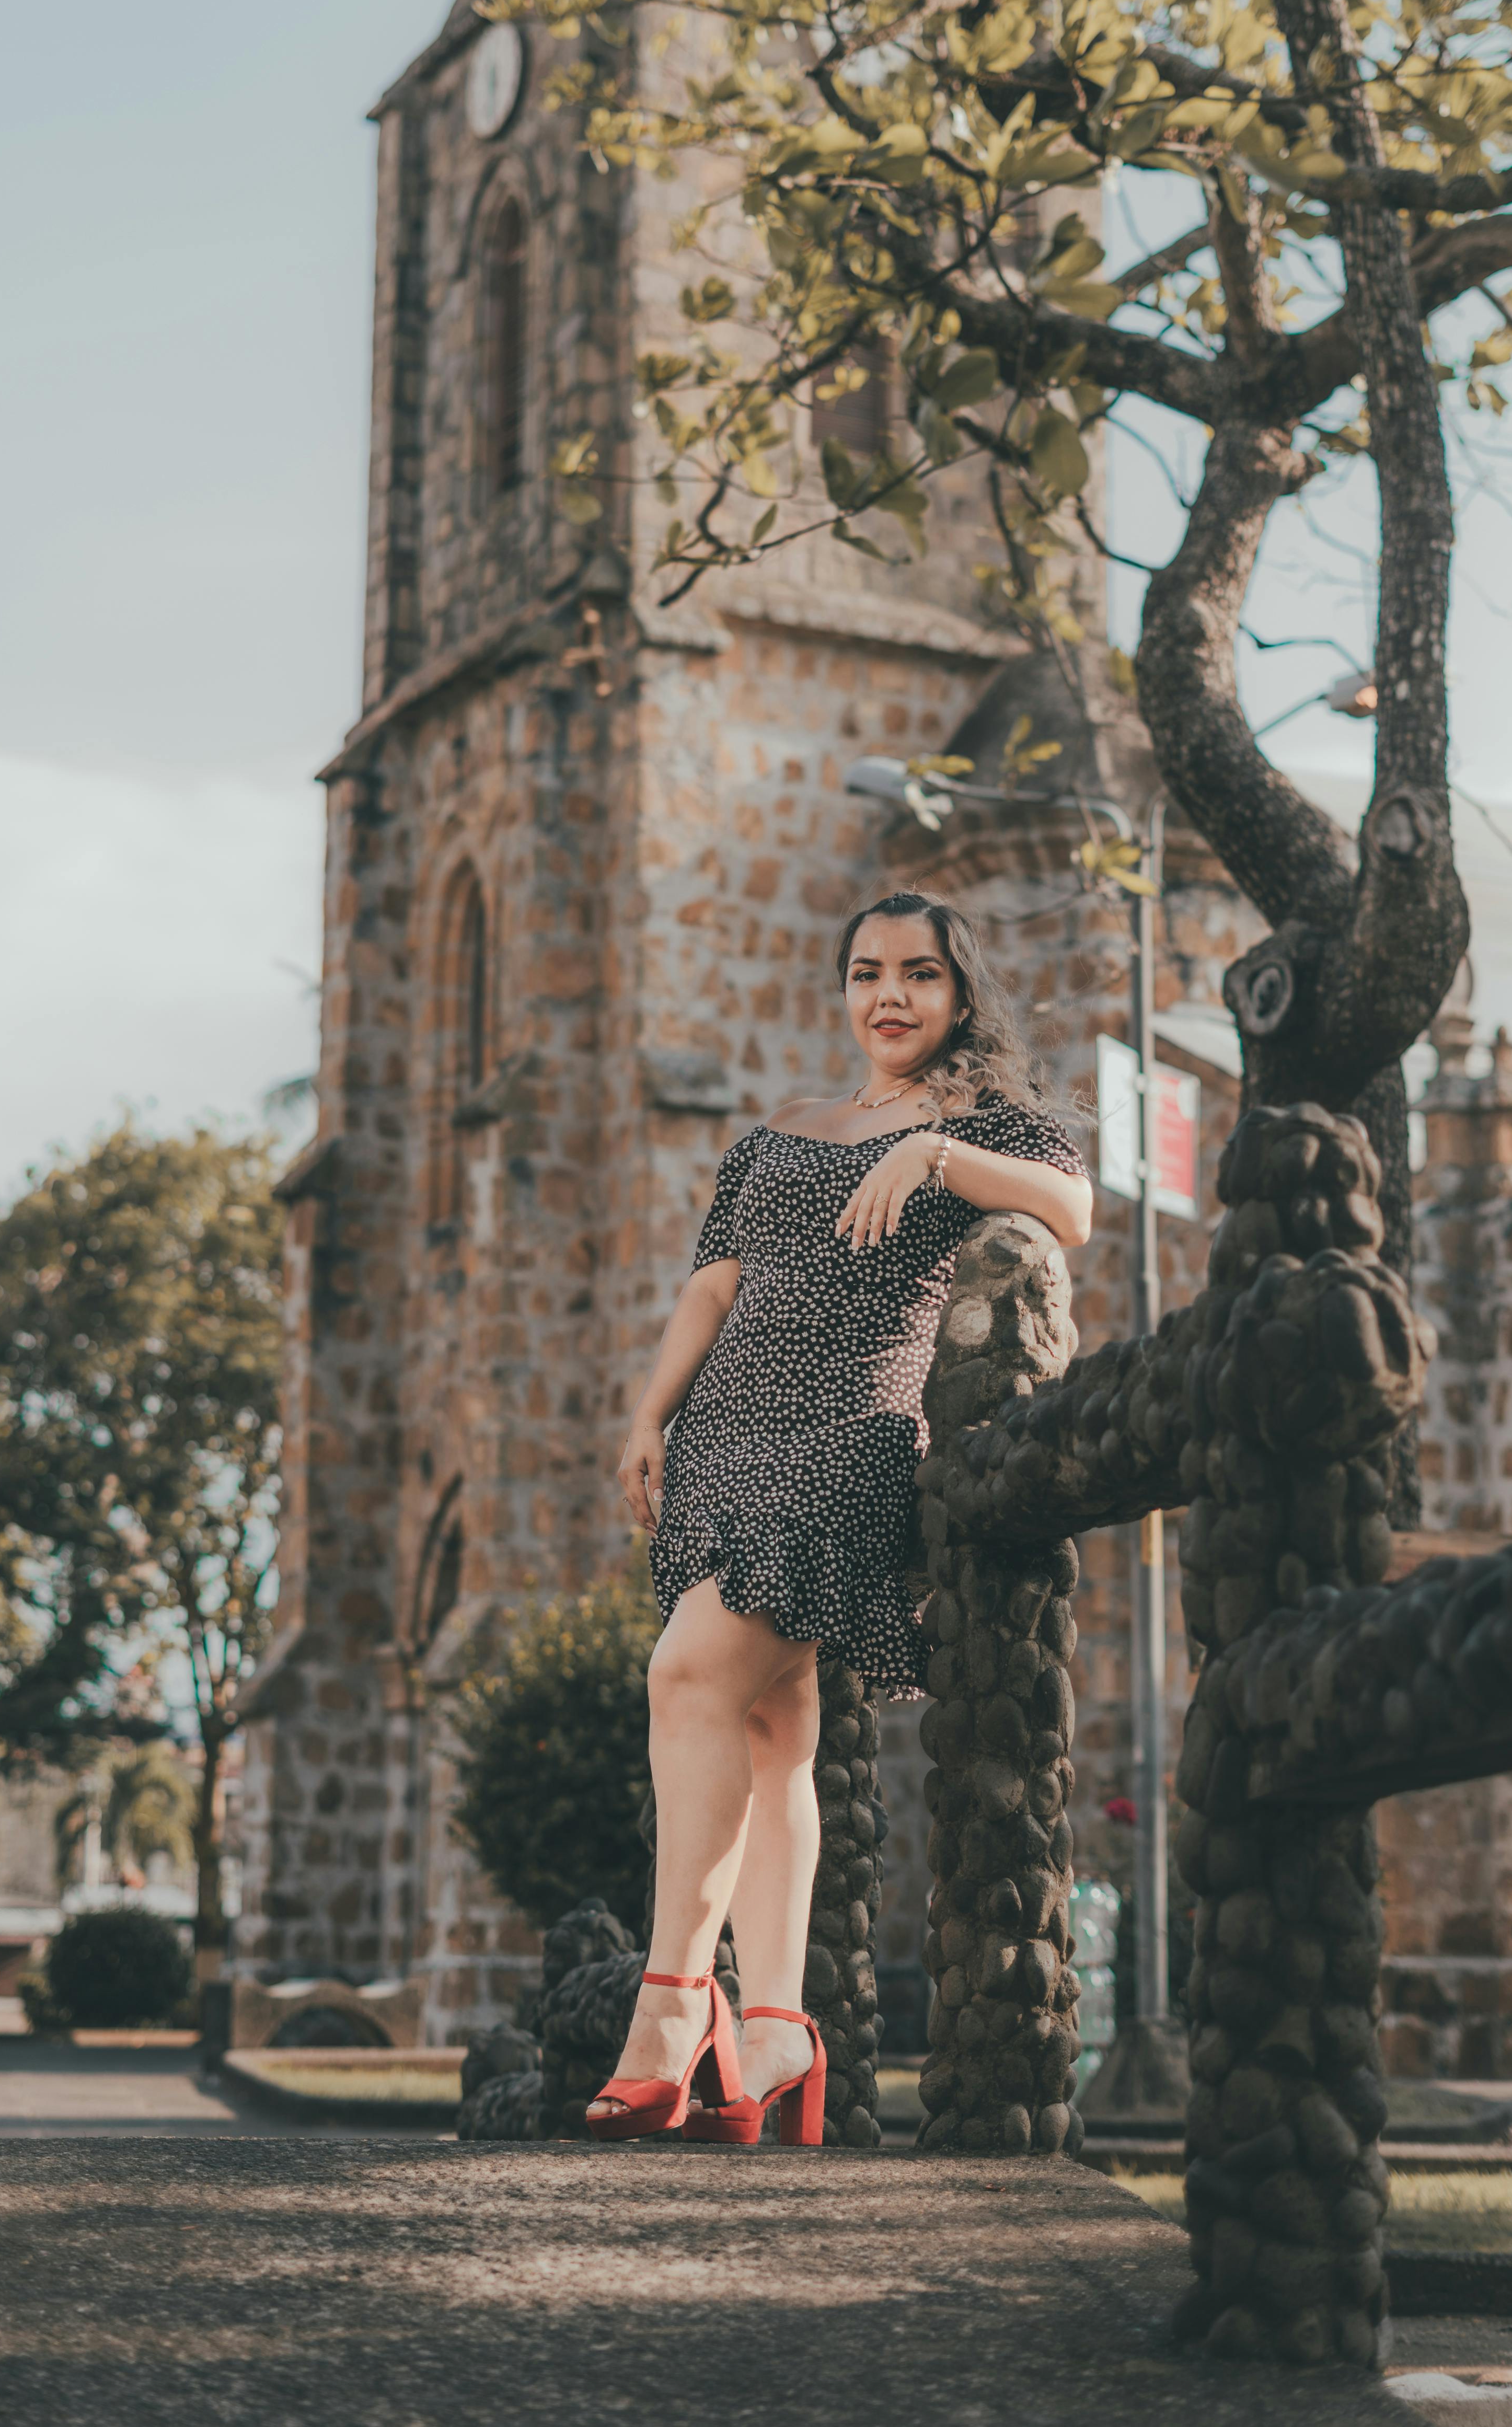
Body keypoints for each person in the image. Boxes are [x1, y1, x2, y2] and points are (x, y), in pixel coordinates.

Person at [588, 887, 1093, 2143]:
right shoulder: (777, 1133)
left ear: (958, 990)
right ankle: (773, 2033)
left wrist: (927, 1154)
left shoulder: (986, 1126)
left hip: (852, 1438)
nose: (889, 996)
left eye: (918, 974)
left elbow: (1072, 1211)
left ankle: (669, 2012)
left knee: (686, 1676)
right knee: (773, 1726)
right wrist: (651, 1414)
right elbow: (711, 1288)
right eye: (866, 972)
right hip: (722, 1436)